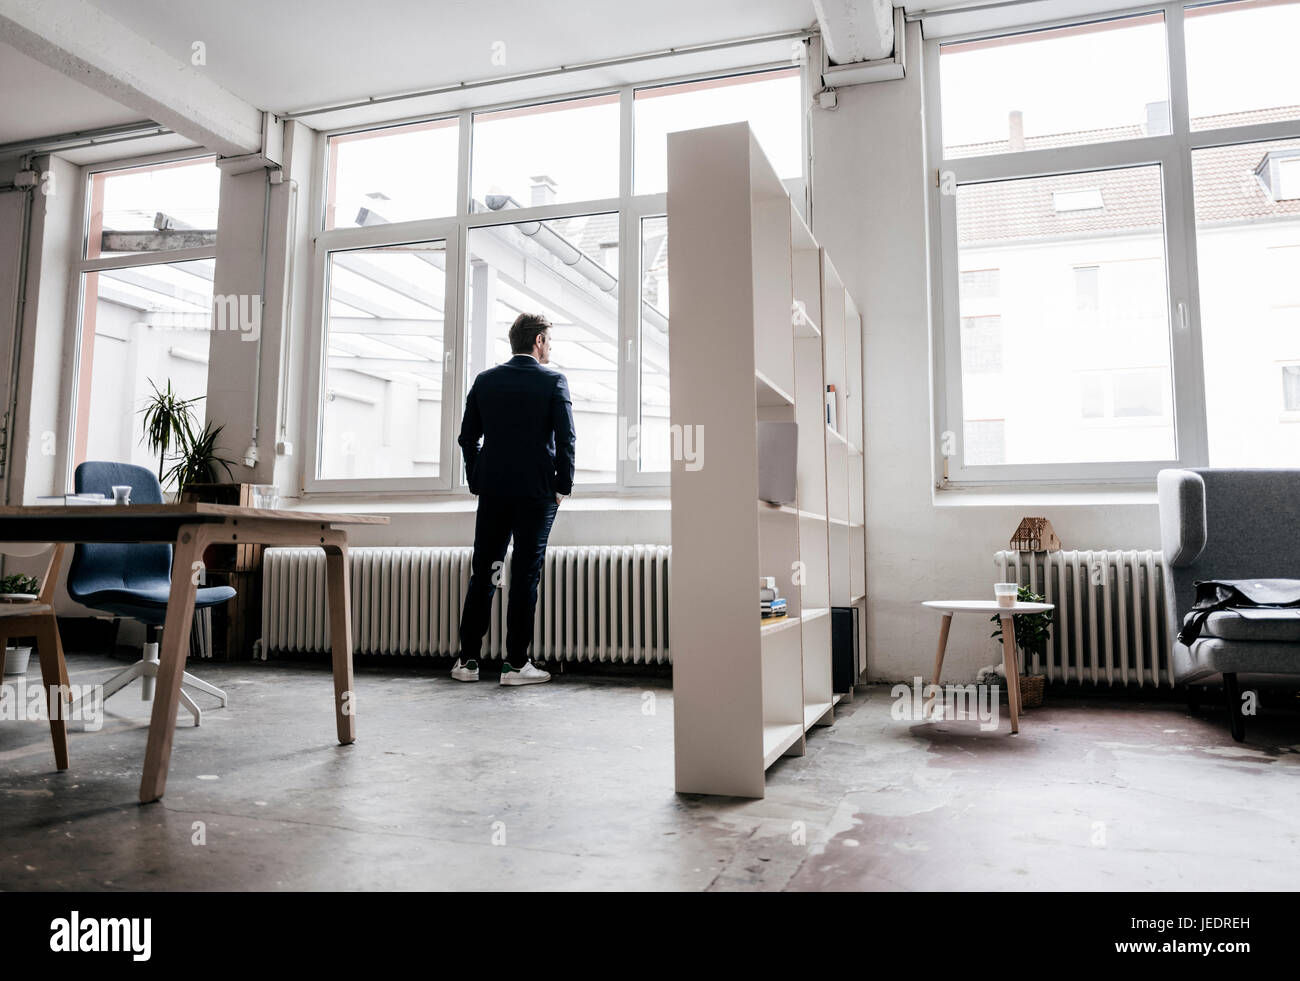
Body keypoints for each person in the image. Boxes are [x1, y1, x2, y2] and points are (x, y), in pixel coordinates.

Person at [451, 312, 576, 685]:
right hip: (536, 494)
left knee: (485, 573)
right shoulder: (554, 381)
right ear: (538, 340)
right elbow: (566, 439)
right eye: (548, 341)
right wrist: (562, 487)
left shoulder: (486, 381)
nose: (550, 347)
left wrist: (477, 478)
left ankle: (468, 662)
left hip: (493, 491)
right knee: (524, 576)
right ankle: (516, 664)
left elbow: (467, 438)